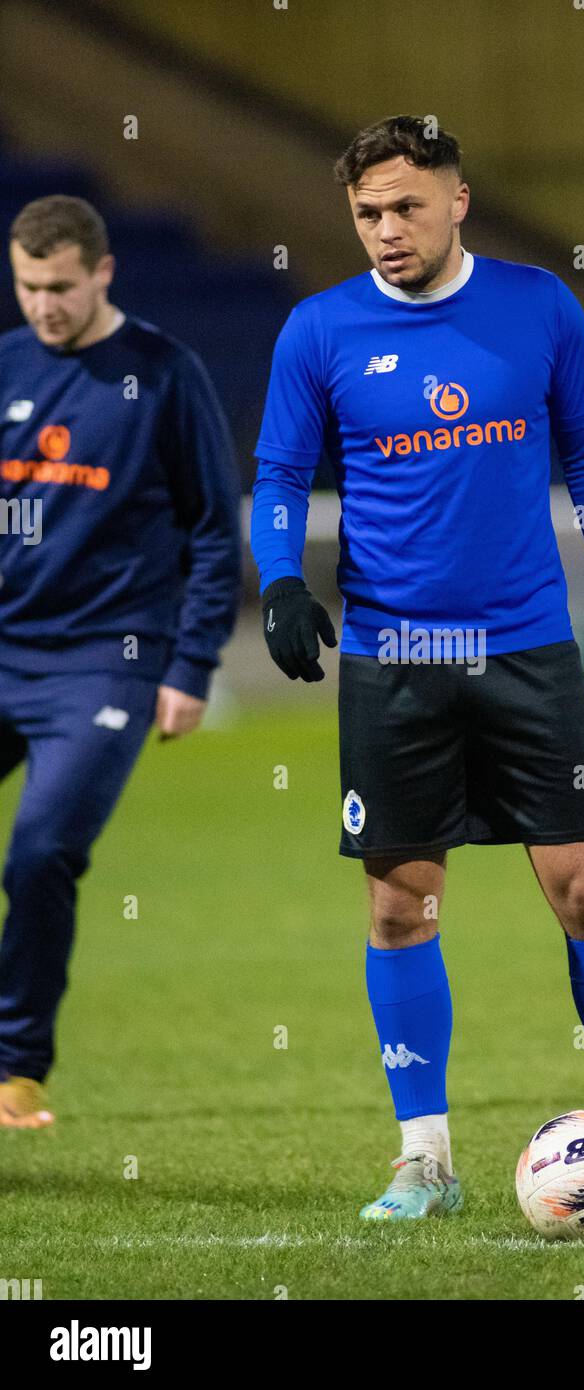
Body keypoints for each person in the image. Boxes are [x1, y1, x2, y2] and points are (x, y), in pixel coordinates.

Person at [251, 116, 584, 1221]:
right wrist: (280, 579)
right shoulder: (320, 329)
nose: (386, 230)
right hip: (394, 658)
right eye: (367, 213)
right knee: (402, 910)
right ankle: (426, 1163)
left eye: (406, 206)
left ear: (458, 199)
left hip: (526, 648)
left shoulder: (539, 305)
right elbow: (279, 474)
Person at [0, 196, 241, 1126]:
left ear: (103, 272)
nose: (43, 305)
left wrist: (192, 665)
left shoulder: (164, 375)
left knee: (40, 852)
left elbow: (213, 531)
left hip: (106, 661)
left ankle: (15, 1068)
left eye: (60, 286)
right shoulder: (8, 364)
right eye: (28, 286)